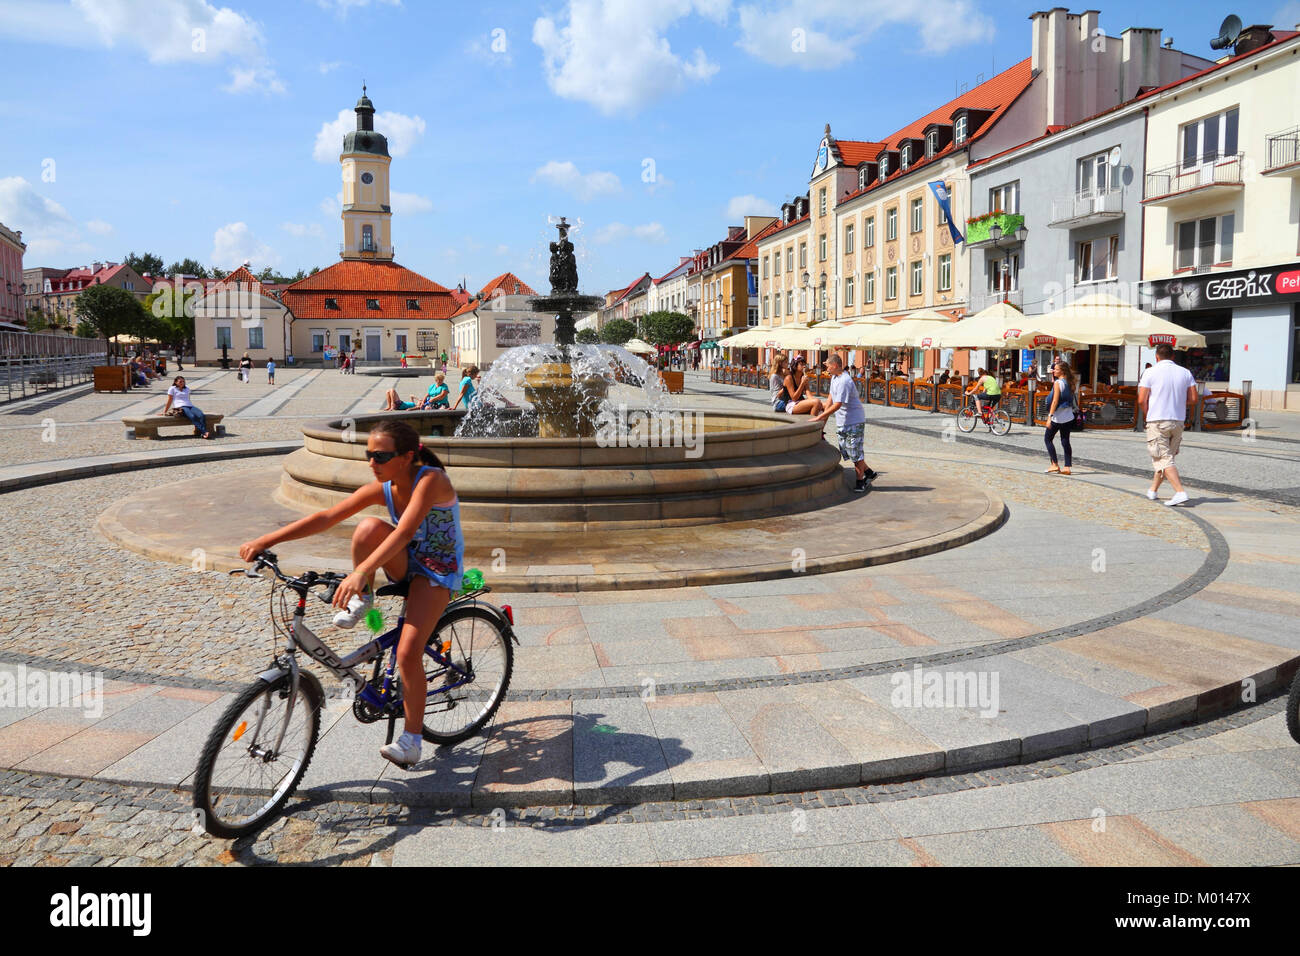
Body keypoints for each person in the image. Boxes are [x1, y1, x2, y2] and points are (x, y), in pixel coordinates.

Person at [238, 419, 464, 768]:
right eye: (368, 454)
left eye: (380, 456)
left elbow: (403, 533)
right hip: (404, 564)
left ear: (405, 457)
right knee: (367, 527)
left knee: (407, 653)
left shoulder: (432, 480)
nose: (371, 462)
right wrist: (266, 540)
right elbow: (328, 516)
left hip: (437, 571)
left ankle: (413, 740)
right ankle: (366, 599)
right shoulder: (385, 486)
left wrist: (359, 572)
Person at [1138, 343, 1198, 506]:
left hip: (1157, 420)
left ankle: (1180, 492)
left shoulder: (1150, 372)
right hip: (1178, 420)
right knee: (1167, 458)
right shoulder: (1185, 372)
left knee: (1163, 458)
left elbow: (1141, 399)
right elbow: (1194, 399)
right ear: (1173, 356)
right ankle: (1153, 490)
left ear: (1156, 357)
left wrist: (1147, 413)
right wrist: (1178, 402)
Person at [812, 353, 876, 493]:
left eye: (828, 366)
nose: (827, 368)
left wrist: (819, 417)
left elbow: (838, 404)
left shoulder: (845, 381)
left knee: (855, 451)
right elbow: (830, 399)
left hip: (854, 420)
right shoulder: (834, 378)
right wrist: (822, 420)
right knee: (846, 450)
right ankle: (869, 472)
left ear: (834, 365)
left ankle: (860, 481)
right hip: (843, 421)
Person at [1043, 360, 1078, 475]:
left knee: (1047, 439)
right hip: (1068, 416)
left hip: (1057, 417)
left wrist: (1049, 417)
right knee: (1065, 441)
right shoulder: (1070, 382)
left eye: (1056, 369)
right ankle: (1067, 467)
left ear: (1062, 371)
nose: (1054, 371)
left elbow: (1055, 401)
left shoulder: (1058, 383)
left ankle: (1054, 464)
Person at [163, 375, 213, 439]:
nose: (182, 383)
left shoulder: (187, 389)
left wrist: (191, 407)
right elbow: (170, 400)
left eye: (183, 381)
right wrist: (165, 411)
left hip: (190, 405)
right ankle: (205, 432)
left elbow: (188, 399)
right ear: (175, 382)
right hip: (180, 406)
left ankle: (203, 433)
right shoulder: (172, 388)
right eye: (180, 382)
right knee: (192, 416)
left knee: (201, 415)